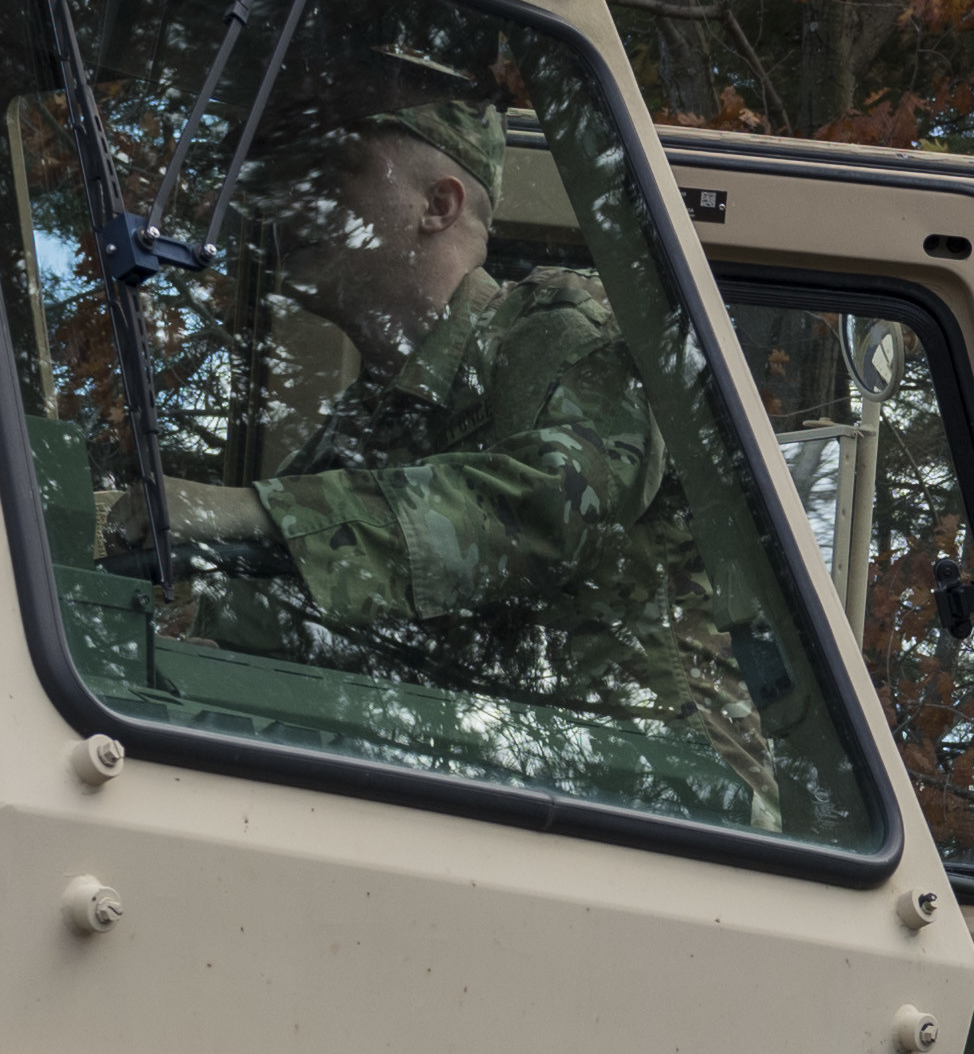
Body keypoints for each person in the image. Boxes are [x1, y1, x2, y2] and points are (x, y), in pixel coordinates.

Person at [105, 70, 780, 821]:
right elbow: (312, 625)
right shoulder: (362, 428)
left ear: (439, 204)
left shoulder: (555, 330)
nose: (283, 204)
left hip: (676, 815)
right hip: (500, 791)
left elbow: (540, 512)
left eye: (329, 173)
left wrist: (232, 512)